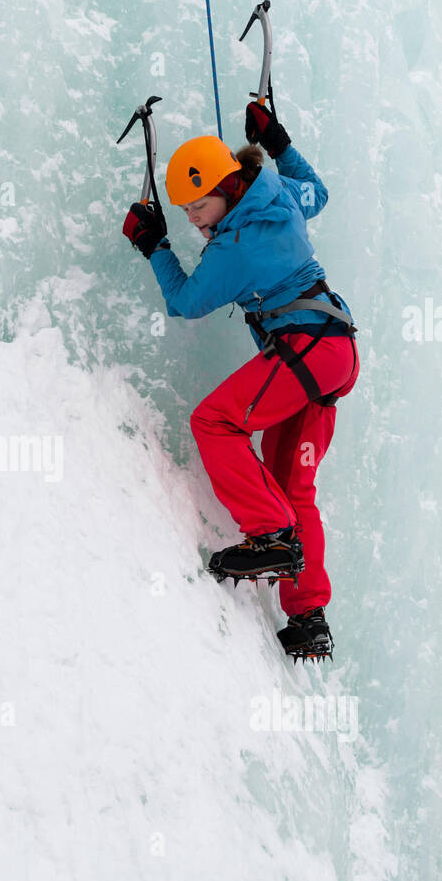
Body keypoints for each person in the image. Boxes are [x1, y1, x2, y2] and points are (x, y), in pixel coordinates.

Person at [122, 102, 359, 661]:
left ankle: (272, 536)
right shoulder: (278, 193)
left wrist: (154, 245)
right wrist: (277, 141)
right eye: (183, 212)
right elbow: (315, 190)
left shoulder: (235, 247)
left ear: (228, 188)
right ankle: (308, 617)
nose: (192, 219)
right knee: (293, 484)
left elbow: (184, 301)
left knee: (214, 421)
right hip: (335, 352)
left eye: (197, 206)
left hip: (305, 349)